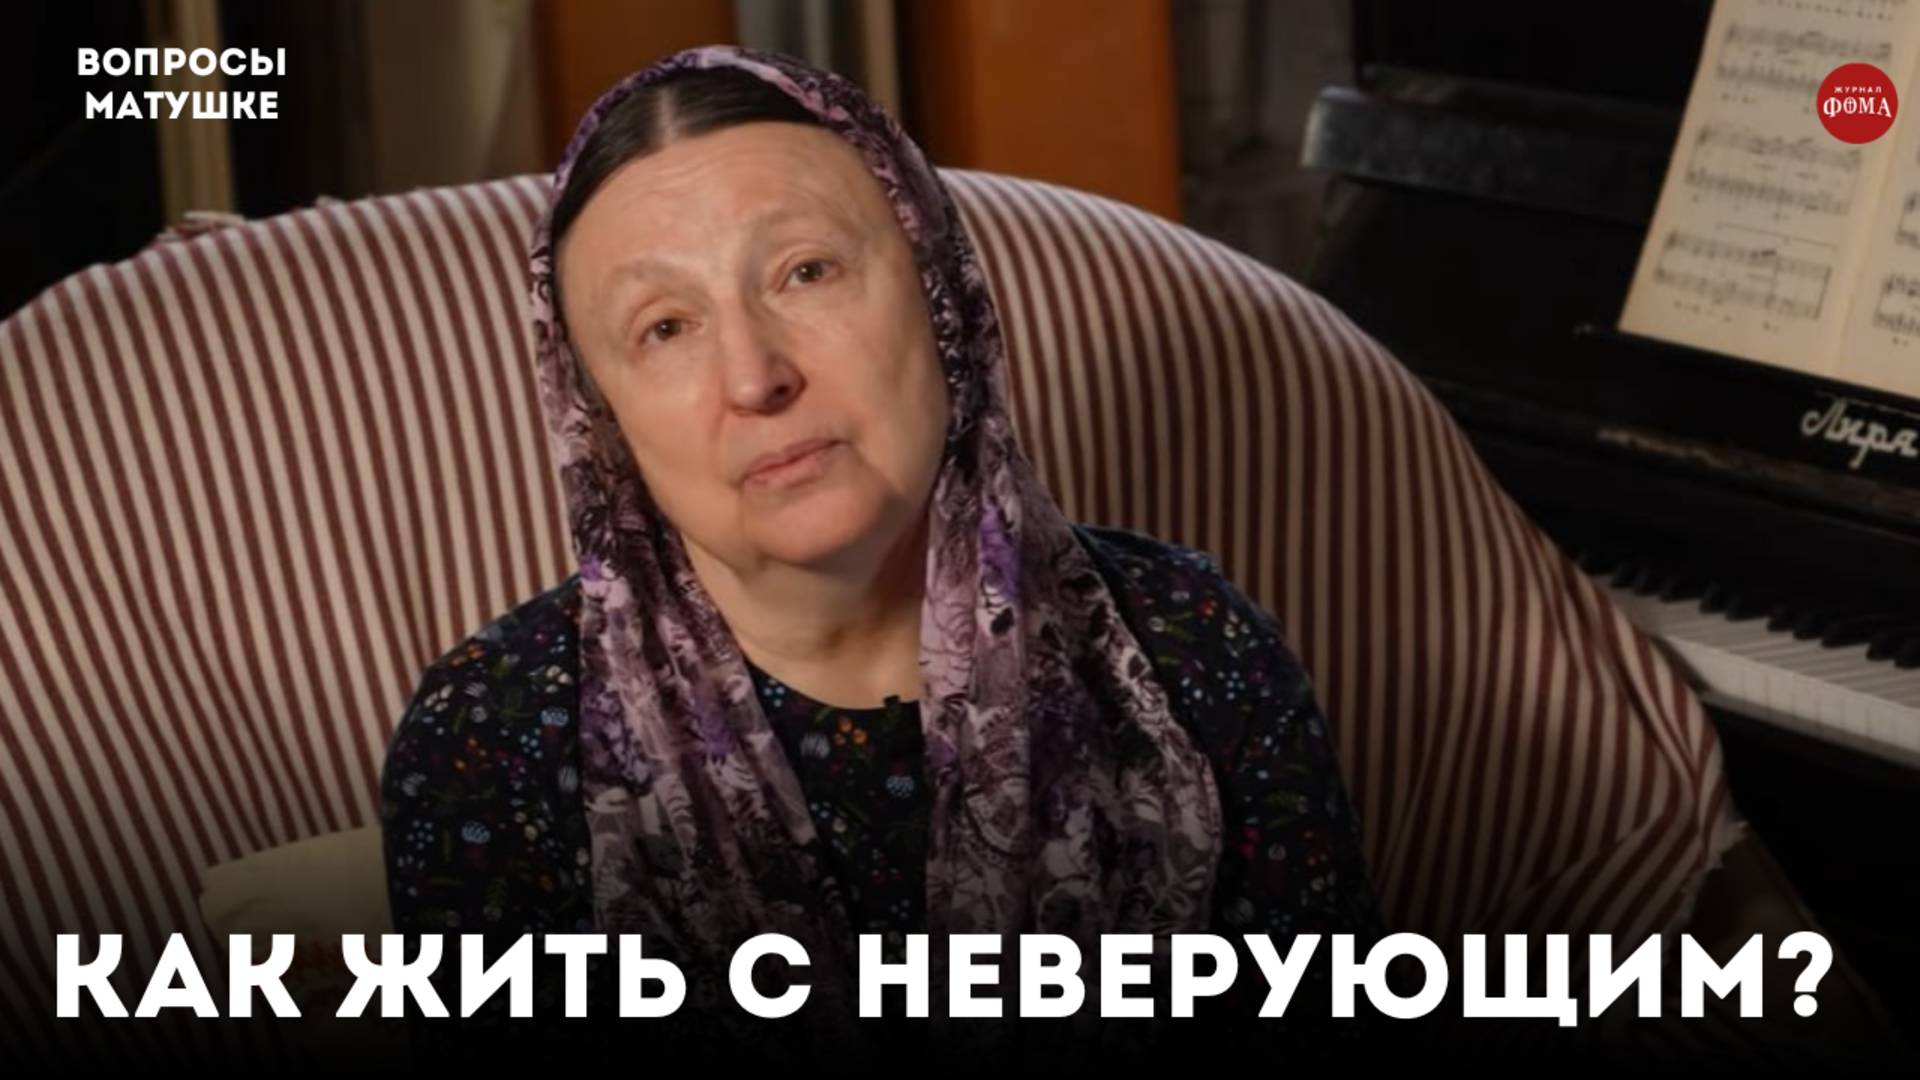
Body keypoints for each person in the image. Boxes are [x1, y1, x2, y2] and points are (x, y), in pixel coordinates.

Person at [379, 43, 1385, 1066]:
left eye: (806, 272)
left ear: (943, 302)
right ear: (601, 420)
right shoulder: (494, 736)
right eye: (666, 326)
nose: (754, 377)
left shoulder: (1192, 645)